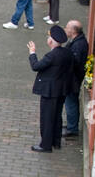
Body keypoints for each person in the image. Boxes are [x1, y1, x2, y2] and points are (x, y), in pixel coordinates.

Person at [28, 24, 72, 153]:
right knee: (57, 116)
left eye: (48, 37)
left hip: (49, 91)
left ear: (51, 41)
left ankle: (45, 145)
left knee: (47, 118)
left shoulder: (51, 56)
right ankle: (56, 141)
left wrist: (32, 53)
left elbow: (36, 66)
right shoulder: (67, 53)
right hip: (61, 90)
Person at [63, 19, 89, 137]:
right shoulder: (77, 41)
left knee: (71, 102)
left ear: (73, 31)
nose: (65, 29)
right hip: (72, 78)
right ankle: (71, 125)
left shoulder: (78, 45)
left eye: (67, 28)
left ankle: (72, 128)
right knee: (70, 102)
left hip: (72, 79)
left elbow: (75, 62)